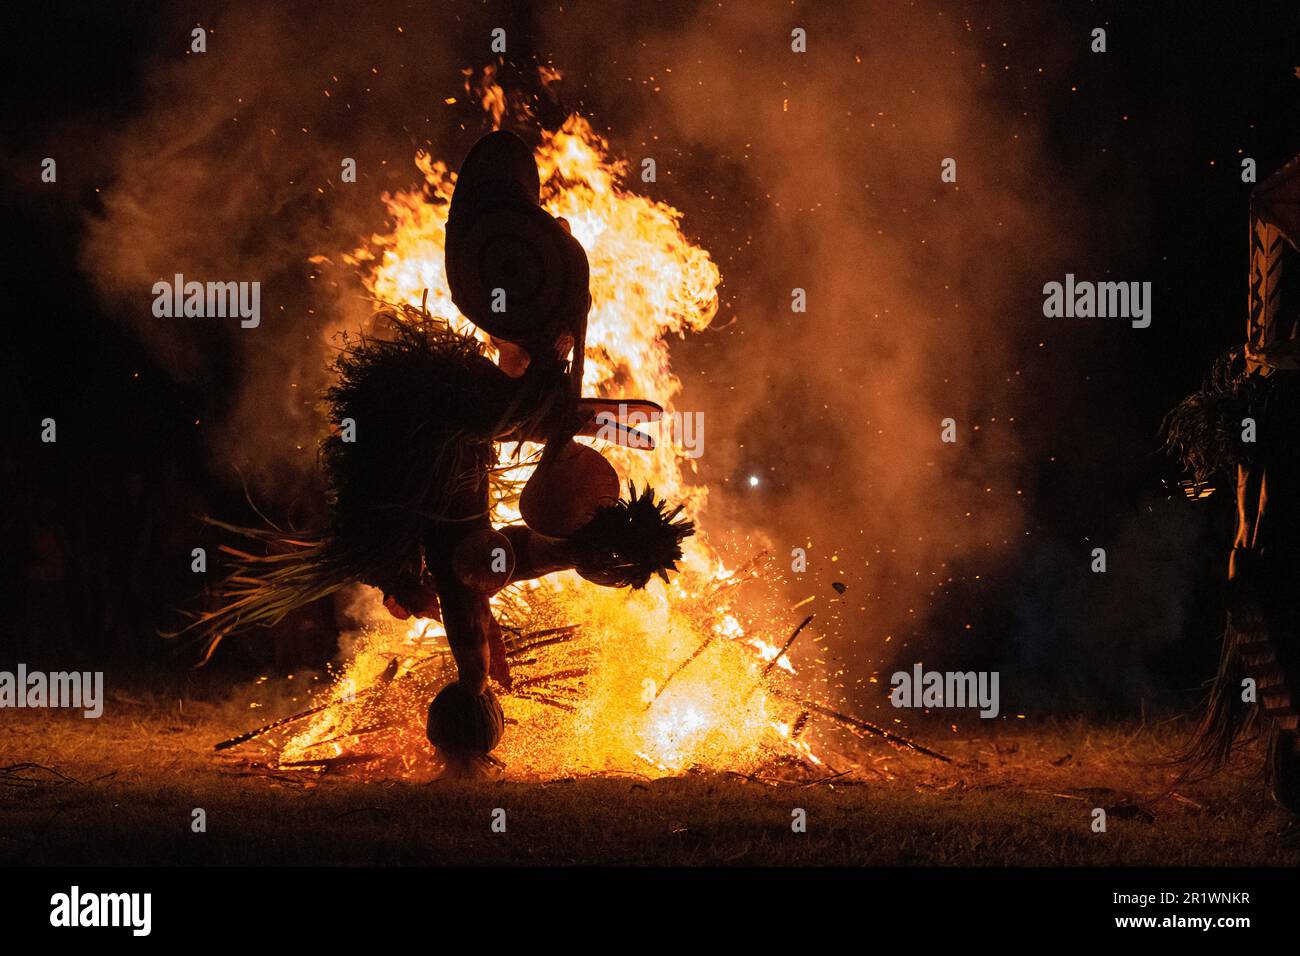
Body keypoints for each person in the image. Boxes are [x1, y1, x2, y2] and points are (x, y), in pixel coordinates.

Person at [181, 130, 693, 776]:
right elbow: (485, 570)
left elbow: (478, 568)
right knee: (486, 494)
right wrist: (582, 541)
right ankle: (551, 390)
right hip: (446, 433)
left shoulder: (425, 538)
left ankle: (549, 384)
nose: (413, 606)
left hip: (440, 425)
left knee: (486, 462)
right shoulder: (432, 550)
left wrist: (575, 423)